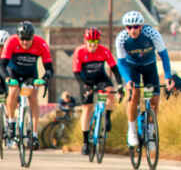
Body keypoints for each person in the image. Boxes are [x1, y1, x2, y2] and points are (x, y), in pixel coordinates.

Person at [115, 10, 175, 147]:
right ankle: (132, 131)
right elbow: (121, 62)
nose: (133, 30)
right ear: (125, 28)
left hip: (149, 66)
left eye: (136, 26)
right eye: (129, 27)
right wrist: (127, 80)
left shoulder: (152, 34)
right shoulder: (121, 39)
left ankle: (151, 130)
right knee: (135, 93)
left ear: (141, 26)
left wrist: (167, 76)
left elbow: (164, 55)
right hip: (132, 67)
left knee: (154, 100)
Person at [73, 26, 123, 157]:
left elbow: (115, 69)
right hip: (85, 80)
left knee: (110, 92)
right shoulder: (80, 52)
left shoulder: (104, 51)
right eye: (90, 42)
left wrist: (120, 85)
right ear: (85, 41)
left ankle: (106, 116)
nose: (92, 45)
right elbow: (76, 72)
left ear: (98, 42)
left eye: (95, 42)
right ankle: (85, 142)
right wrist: (84, 86)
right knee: (87, 108)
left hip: (101, 78)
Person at [0, 20, 53, 144]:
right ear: (18, 37)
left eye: (27, 40)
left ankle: (34, 134)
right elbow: (2, 65)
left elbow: (49, 68)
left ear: (33, 38)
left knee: (33, 97)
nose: (24, 42)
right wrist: (7, 78)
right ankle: (12, 122)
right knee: (13, 91)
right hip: (14, 72)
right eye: (22, 39)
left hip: (30, 74)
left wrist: (44, 79)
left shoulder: (41, 44)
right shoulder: (11, 42)